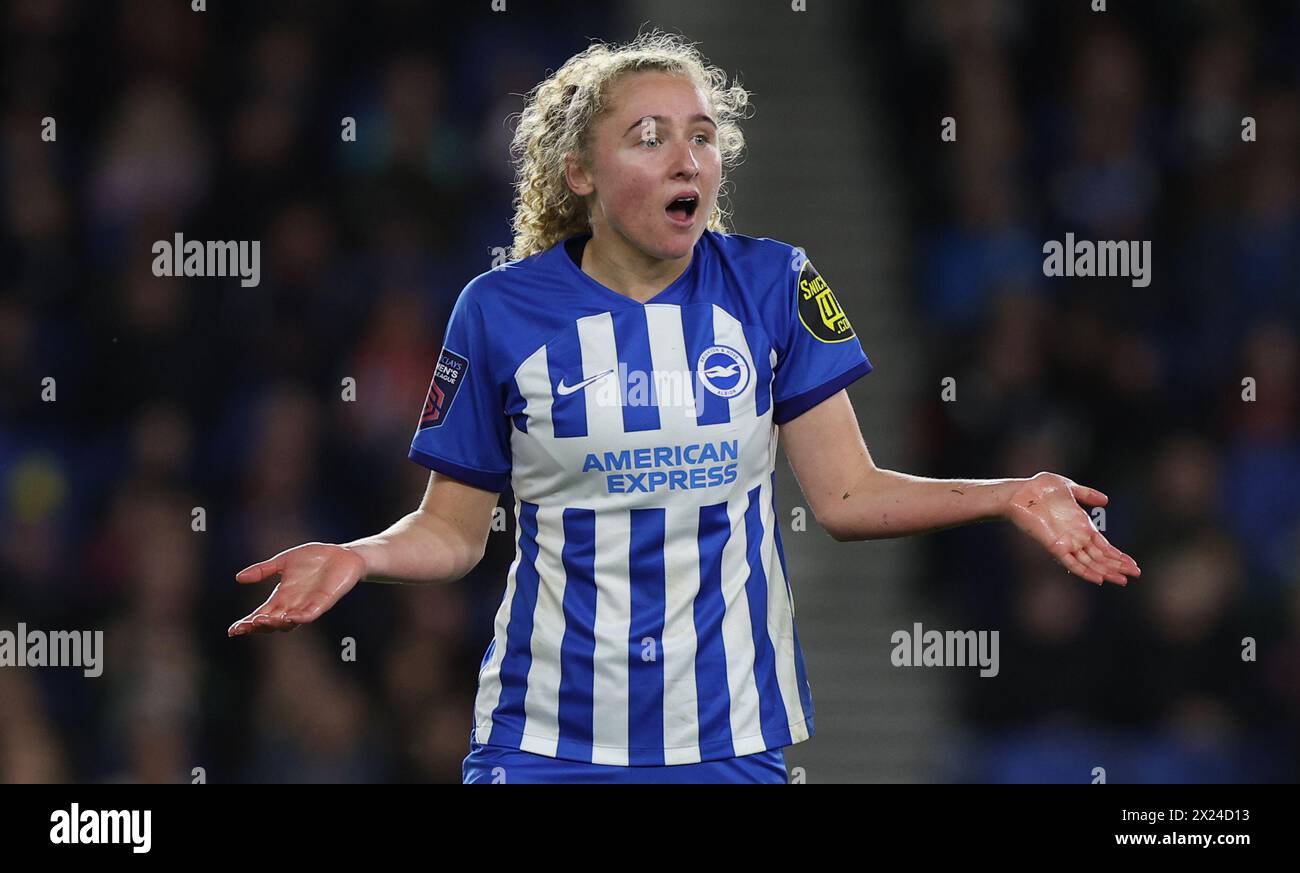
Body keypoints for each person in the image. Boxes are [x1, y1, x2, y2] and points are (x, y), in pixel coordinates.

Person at [228, 31, 1141, 784]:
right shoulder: (500, 309)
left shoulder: (775, 283)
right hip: (547, 741)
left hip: (728, 740)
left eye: (701, 135)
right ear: (579, 172)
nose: (687, 157)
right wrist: (358, 554)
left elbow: (848, 497)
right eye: (650, 136)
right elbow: (456, 533)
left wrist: (1008, 491)